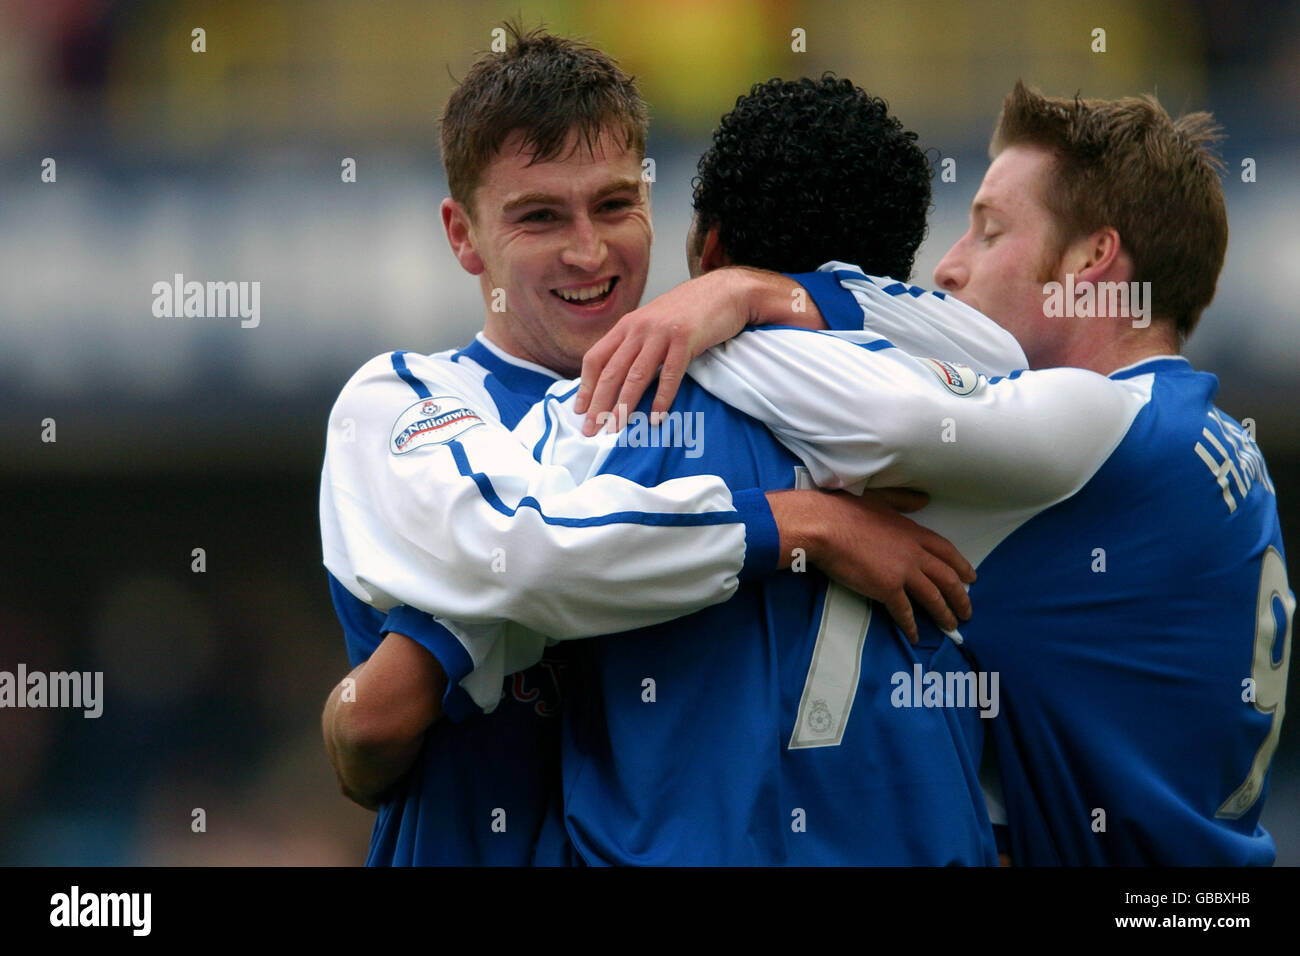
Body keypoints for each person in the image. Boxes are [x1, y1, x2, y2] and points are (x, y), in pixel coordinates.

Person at [578, 81, 1293, 864]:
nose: (947, 269)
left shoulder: (1100, 431)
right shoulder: (1208, 438)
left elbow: (891, 420)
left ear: (1093, 258)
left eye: (989, 232)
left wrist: (730, 298)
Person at [318, 30, 973, 865]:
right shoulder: (405, 401)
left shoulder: (722, 391)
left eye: (615, 204)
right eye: (539, 217)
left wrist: (750, 289)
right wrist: (806, 524)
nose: (588, 251)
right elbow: (522, 554)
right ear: (463, 234)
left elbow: (378, 717)